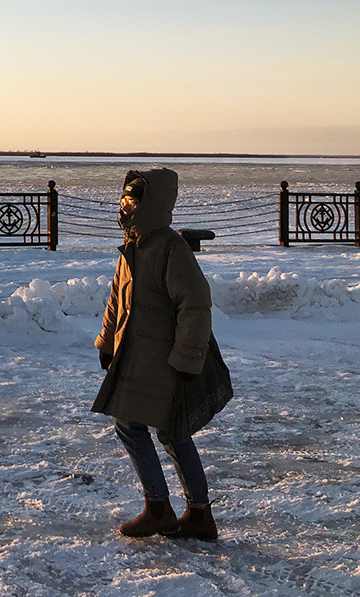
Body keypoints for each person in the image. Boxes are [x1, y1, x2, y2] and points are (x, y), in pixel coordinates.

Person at [92, 168, 220, 541]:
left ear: (152, 206)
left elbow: (195, 306)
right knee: (158, 429)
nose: (125, 208)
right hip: (138, 356)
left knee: (152, 427)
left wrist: (186, 359)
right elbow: (117, 299)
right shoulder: (133, 245)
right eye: (124, 201)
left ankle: (165, 510)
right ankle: (192, 513)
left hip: (164, 359)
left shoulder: (169, 248)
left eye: (133, 202)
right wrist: (107, 342)